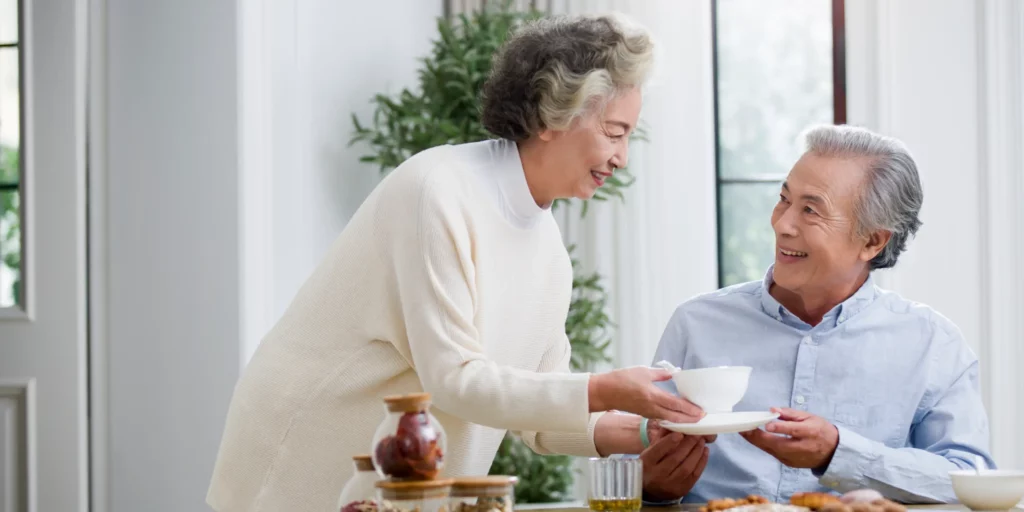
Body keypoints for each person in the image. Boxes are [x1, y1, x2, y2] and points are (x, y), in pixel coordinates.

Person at [206, 13, 704, 512]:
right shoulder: (436, 192)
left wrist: (649, 428)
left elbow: (541, 419)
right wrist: (609, 388)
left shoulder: (549, 251)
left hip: (401, 487)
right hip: (308, 467)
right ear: (555, 113)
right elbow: (456, 380)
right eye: (614, 133)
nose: (622, 159)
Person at [640, 125, 995, 505]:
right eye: (783, 199)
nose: (782, 224)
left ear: (873, 241)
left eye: (810, 210)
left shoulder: (933, 345)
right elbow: (631, 465)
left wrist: (839, 454)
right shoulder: (696, 324)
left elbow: (968, 478)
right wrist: (652, 488)